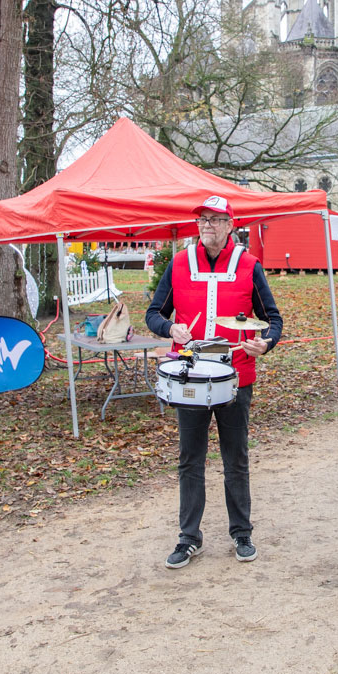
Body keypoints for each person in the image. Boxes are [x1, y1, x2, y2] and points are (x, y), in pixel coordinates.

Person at [145, 195, 283, 570]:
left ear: (230, 225)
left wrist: (265, 342)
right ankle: (189, 537)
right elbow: (153, 313)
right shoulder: (178, 264)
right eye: (203, 219)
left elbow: (273, 319)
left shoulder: (249, 265)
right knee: (190, 458)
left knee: (235, 458)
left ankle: (241, 532)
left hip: (235, 375)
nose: (208, 226)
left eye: (216, 220)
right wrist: (168, 326)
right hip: (190, 374)